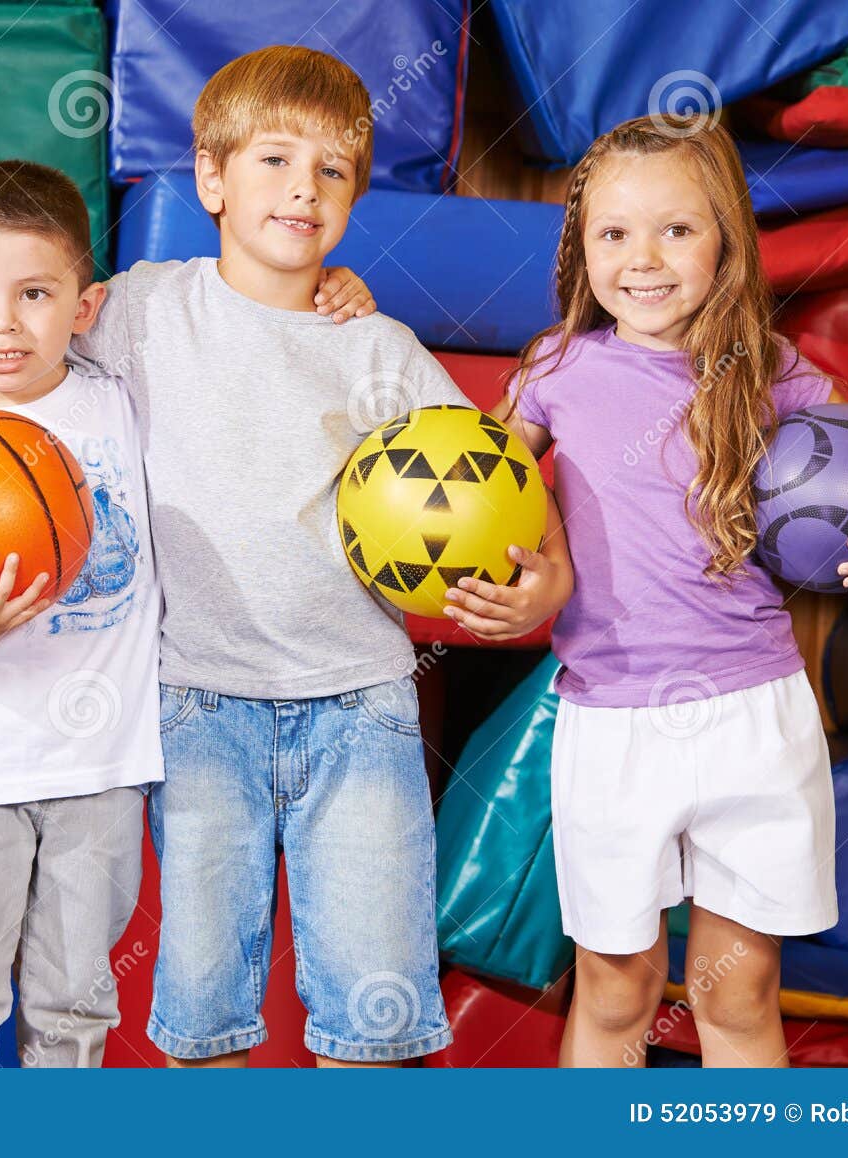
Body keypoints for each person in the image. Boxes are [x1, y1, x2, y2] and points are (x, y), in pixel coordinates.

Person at [70, 46, 572, 1066]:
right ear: (208, 178)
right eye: (272, 160)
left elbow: (492, 485)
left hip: (361, 707)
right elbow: (23, 355)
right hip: (197, 701)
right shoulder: (139, 309)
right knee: (201, 1014)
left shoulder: (376, 347)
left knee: (374, 1014)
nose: (303, 186)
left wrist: (543, 583)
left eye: (332, 170)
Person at [500, 114, 848, 1067]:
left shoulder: (768, 370)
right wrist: (524, 582)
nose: (644, 259)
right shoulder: (556, 369)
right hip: (612, 720)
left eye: (678, 229)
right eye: (614, 233)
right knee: (616, 988)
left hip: (754, 713)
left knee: (742, 991)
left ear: (726, 239)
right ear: (579, 246)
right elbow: (482, 486)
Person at [0, 161, 162, 1067]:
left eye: (35, 292)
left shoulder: (119, 401)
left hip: (104, 766)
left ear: (85, 306)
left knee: (74, 1012)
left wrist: (334, 284)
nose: (3, 321)